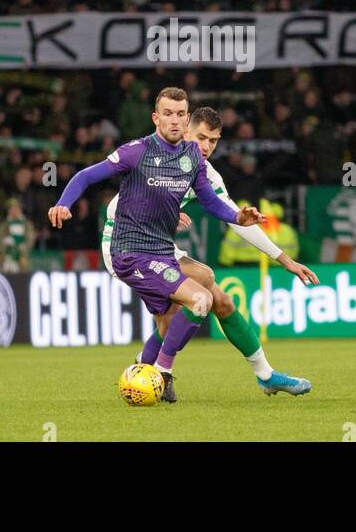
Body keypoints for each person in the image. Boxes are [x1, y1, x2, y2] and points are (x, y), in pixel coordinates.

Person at [49, 87, 263, 403]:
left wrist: (238, 217)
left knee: (172, 318)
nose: (174, 120)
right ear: (156, 117)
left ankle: (142, 370)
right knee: (201, 298)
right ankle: (161, 374)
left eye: (180, 114)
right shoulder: (137, 151)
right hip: (131, 252)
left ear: (187, 119)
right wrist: (63, 203)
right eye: (167, 114)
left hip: (160, 253)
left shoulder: (193, 159)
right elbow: (86, 175)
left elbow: (210, 200)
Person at [101, 106, 317, 396]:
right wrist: (155, 209)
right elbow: (116, 204)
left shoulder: (206, 173)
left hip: (160, 244)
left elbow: (236, 219)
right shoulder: (154, 154)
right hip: (125, 242)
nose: (206, 146)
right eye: (201, 137)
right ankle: (157, 370)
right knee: (202, 281)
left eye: (213, 141)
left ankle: (264, 375)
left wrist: (285, 260)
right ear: (185, 130)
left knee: (221, 302)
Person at [0, 197, 34, 273]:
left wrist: (19, 250)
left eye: (16, 208)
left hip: (22, 255)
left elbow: (30, 241)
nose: (14, 210)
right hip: (6, 254)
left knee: (23, 262)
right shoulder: (3, 225)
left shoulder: (27, 225)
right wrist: (6, 246)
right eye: (11, 208)